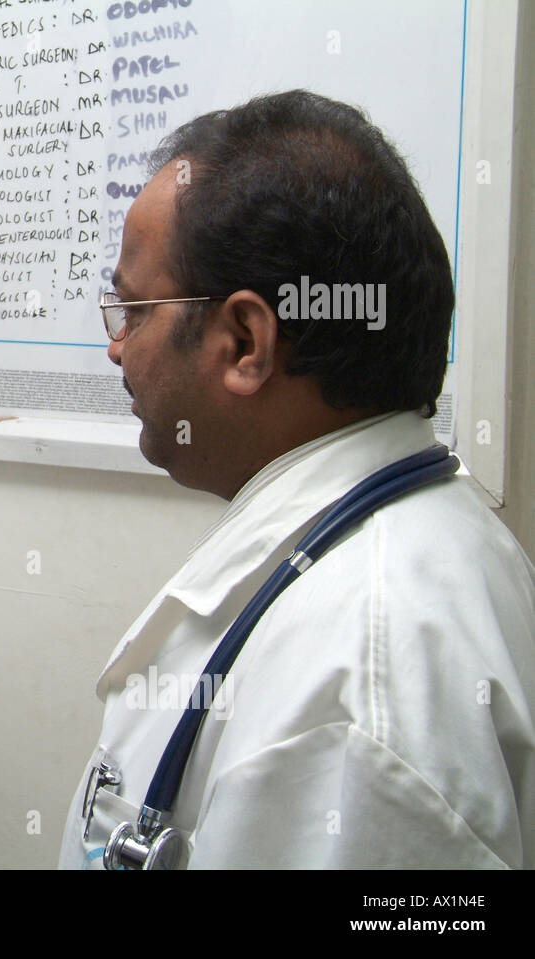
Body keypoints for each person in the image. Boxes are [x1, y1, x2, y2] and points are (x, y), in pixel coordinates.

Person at [62, 90, 535, 869]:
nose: (118, 348)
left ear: (246, 341)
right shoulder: (408, 538)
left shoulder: (364, 686)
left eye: (136, 309)